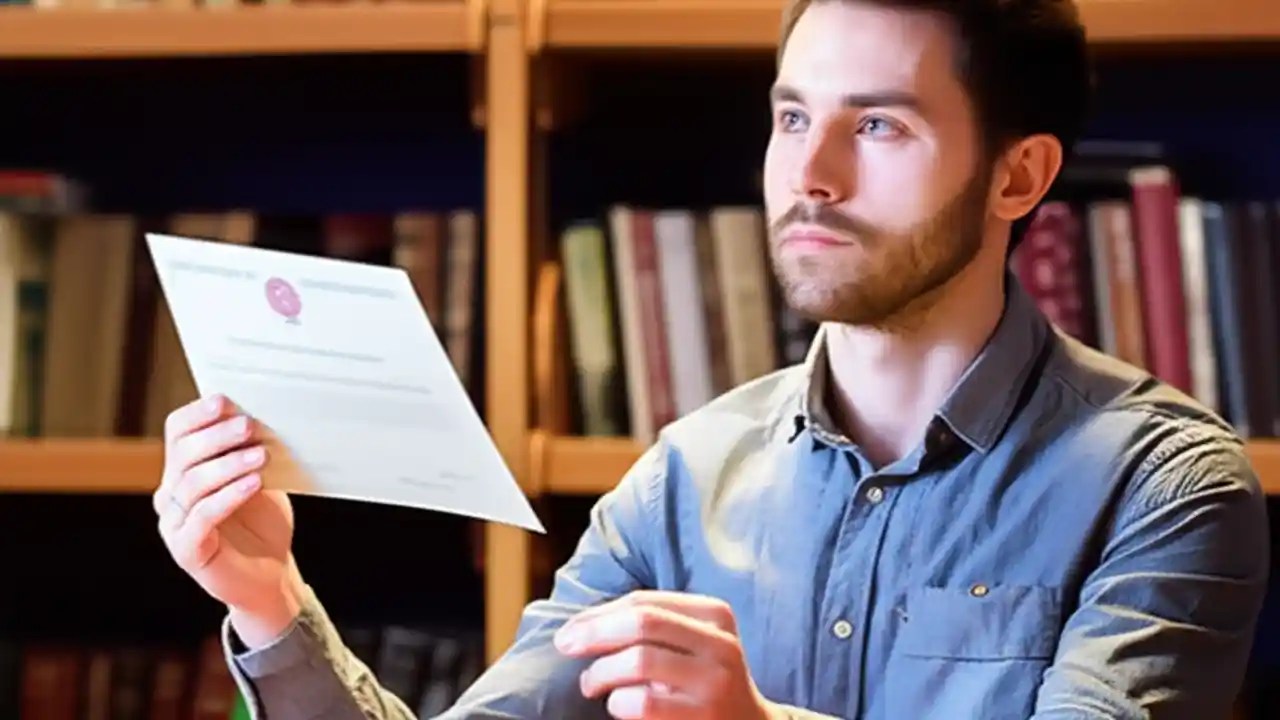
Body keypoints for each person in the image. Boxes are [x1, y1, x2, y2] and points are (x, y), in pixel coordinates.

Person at [152, 0, 1271, 717]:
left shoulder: (1162, 485)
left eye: (876, 126)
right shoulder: (686, 474)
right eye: (792, 118)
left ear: (1017, 177)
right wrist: (269, 604)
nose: (811, 175)